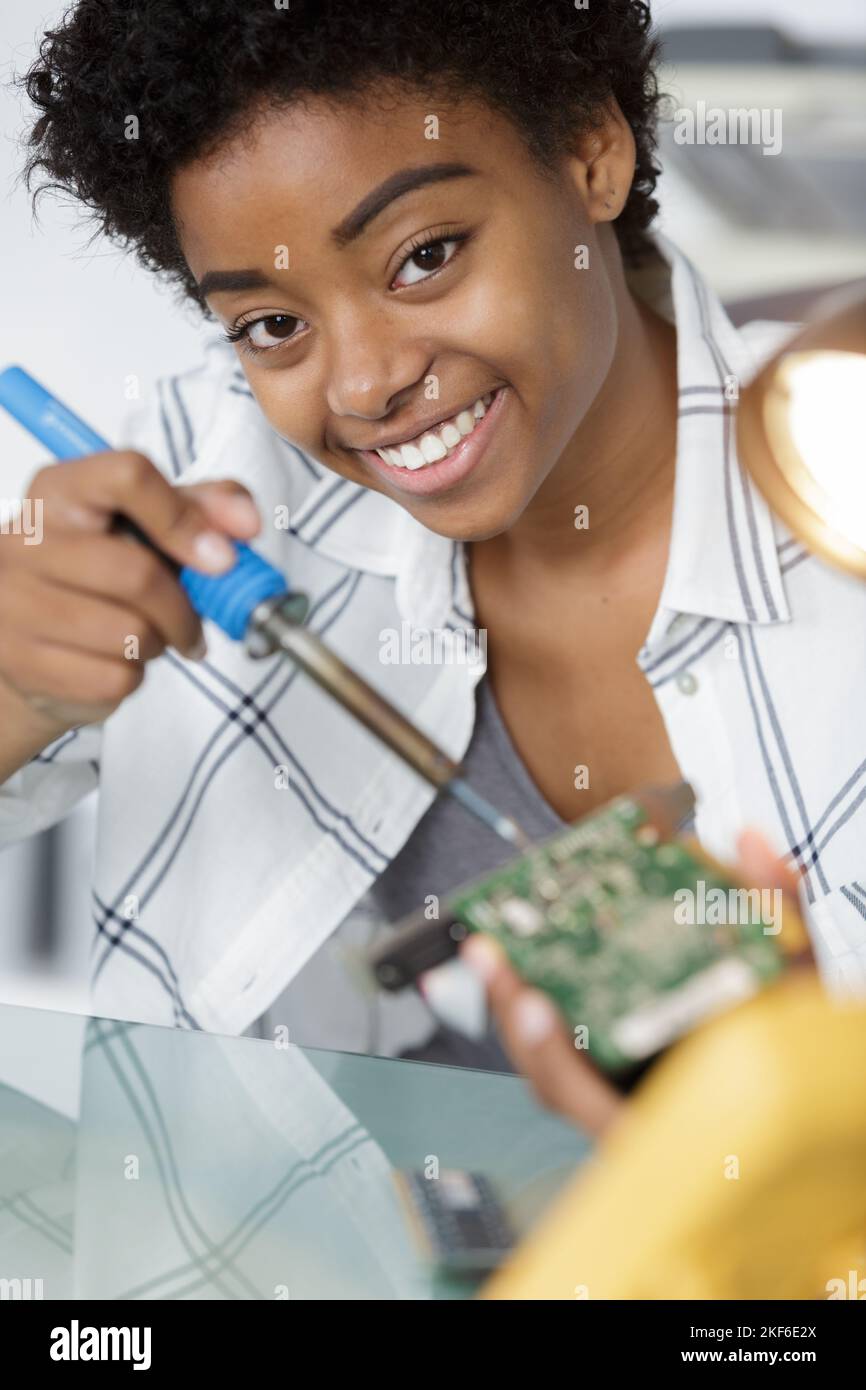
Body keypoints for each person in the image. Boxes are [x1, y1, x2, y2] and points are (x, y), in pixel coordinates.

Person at [1, 1, 864, 1097]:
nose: (364, 383)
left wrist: (811, 1110)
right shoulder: (192, 487)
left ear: (591, 154)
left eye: (423, 256)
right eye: (273, 325)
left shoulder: (840, 474)